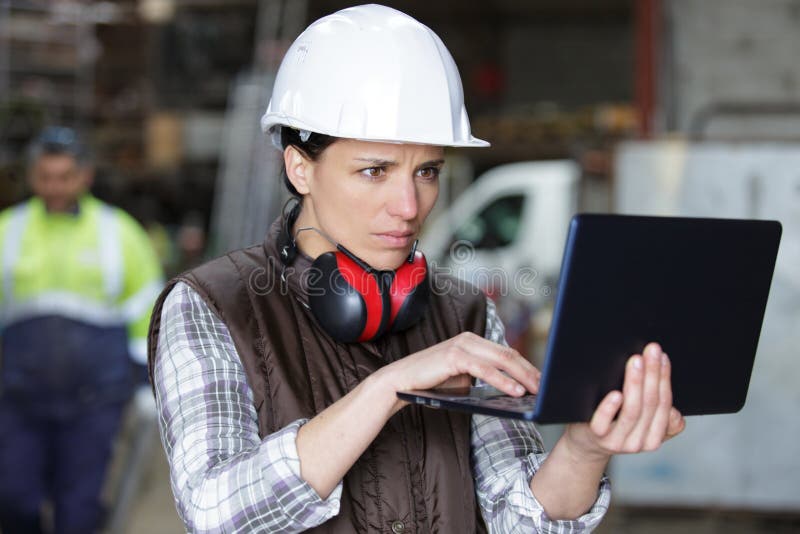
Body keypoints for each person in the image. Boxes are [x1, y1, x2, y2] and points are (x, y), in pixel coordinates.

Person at [148, 5, 685, 533]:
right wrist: (388, 388)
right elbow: (216, 512)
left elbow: (517, 520)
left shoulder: (464, 315)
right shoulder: (214, 306)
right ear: (299, 167)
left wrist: (585, 448)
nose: (409, 205)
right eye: (374, 171)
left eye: (426, 171)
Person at [0, 126, 164, 533]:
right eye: (45, 177)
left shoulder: (118, 232)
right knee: (14, 498)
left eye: (64, 177)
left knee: (78, 510)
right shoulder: (9, 229)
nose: (54, 187)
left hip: (96, 399)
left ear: (84, 176)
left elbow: (149, 305)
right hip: (19, 397)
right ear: (32, 176)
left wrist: (147, 376)